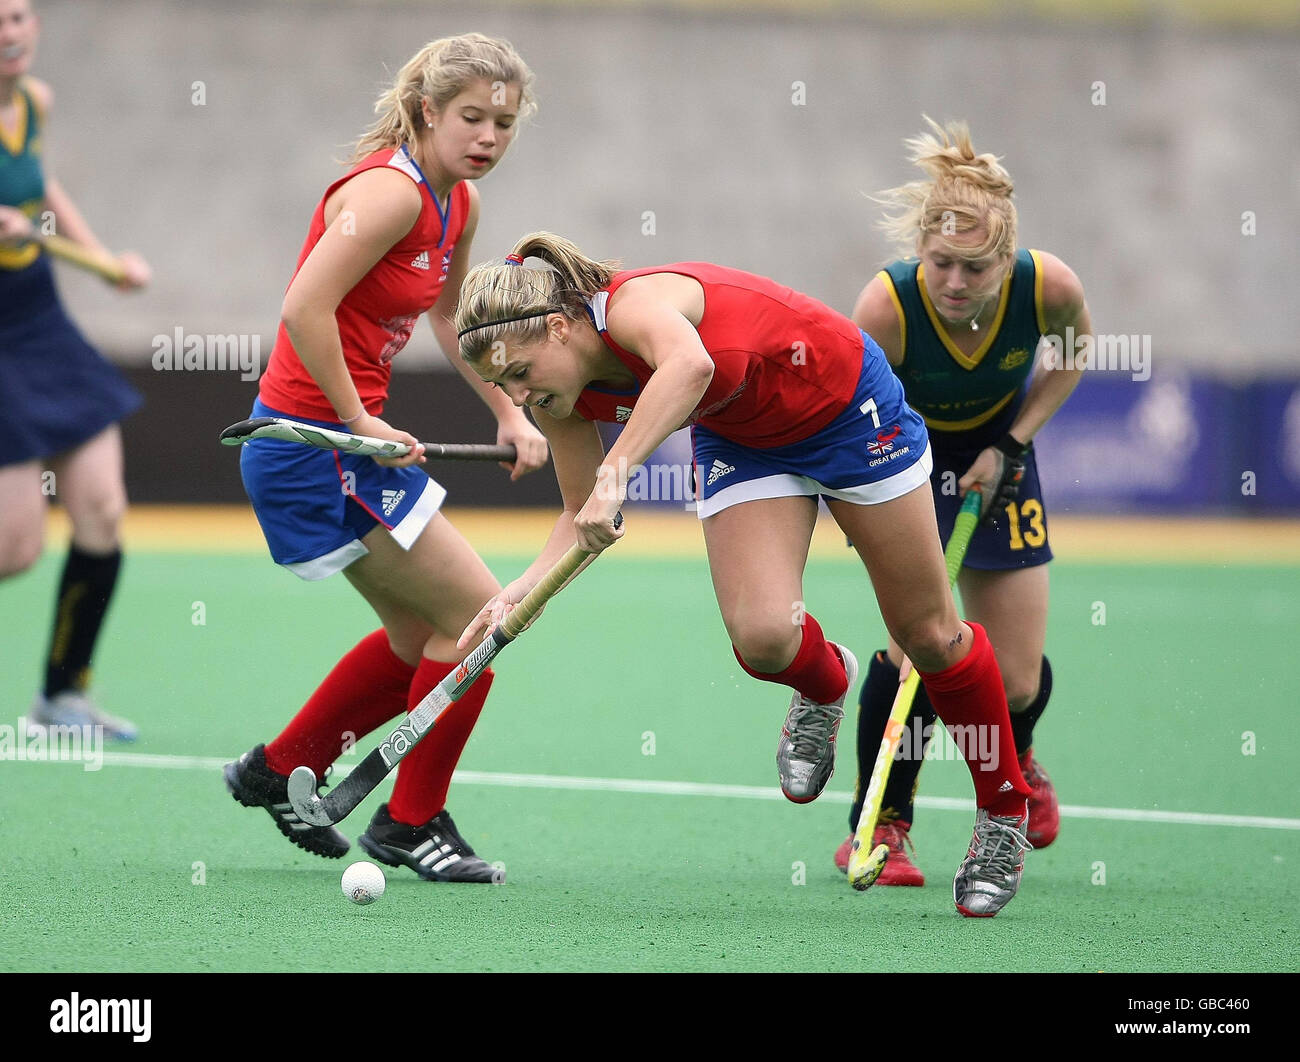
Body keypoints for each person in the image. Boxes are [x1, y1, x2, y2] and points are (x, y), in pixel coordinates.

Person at [454, 232, 1035, 916]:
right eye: (503, 386)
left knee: (931, 637)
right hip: (744, 437)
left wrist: (617, 474)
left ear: (559, 326)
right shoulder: (555, 398)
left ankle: (1003, 813)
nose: (518, 396)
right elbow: (581, 515)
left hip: (847, 409)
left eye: (520, 372)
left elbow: (689, 366)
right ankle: (827, 683)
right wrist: (521, 591)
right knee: (763, 637)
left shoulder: (633, 305)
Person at [222, 34, 549, 884]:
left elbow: (449, 318)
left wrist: (509, 410)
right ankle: (410, 824)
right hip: (312, 445)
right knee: (481, 619)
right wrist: (360, 415)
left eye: (504, 123)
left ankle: (277, 767)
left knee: (422, 637)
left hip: (346, 444)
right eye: (471, 117)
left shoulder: (458, 203)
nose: (487, 136)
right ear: (427, 112)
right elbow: (303, 307)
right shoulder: (387, 194)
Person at [831, 117, 1090, 886]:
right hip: (904, 460)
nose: (954, 283)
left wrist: (1010, 445)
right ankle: (880, 823)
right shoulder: (885, 307)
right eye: (940, 263)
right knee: (922, 650)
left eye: (975, 269)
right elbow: (848, 413)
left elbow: (1075, 353)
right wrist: (885, 495)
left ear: (1005, 263)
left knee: (1010, 681)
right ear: (921, 252)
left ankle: (1021, 757)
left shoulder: (1049, 287)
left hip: (999, 455)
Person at [0, 0, 150, 741]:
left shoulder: (34, 101)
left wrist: (99, 259)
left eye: (19, 16)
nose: (9, 31)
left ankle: (61, 695)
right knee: (14, 549)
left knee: (102, 508)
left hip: (38, 315)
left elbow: (41, 188)